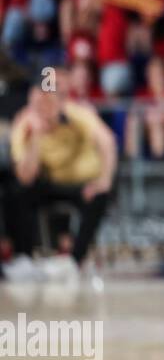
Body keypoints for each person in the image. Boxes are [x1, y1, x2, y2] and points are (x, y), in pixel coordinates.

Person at [4, 74, 117, 284]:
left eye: (47, 103)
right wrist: (36, 137)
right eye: (37, 104)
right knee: (18, 191)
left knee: (99, 195)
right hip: (50, 183)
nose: (42, 109)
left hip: (82, 183)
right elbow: (25, 176)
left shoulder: (77, 114)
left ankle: (74, 261)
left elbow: (107, 141)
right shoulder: (25, 123)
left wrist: (105, 179)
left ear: (59, 102)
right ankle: (24, 258)